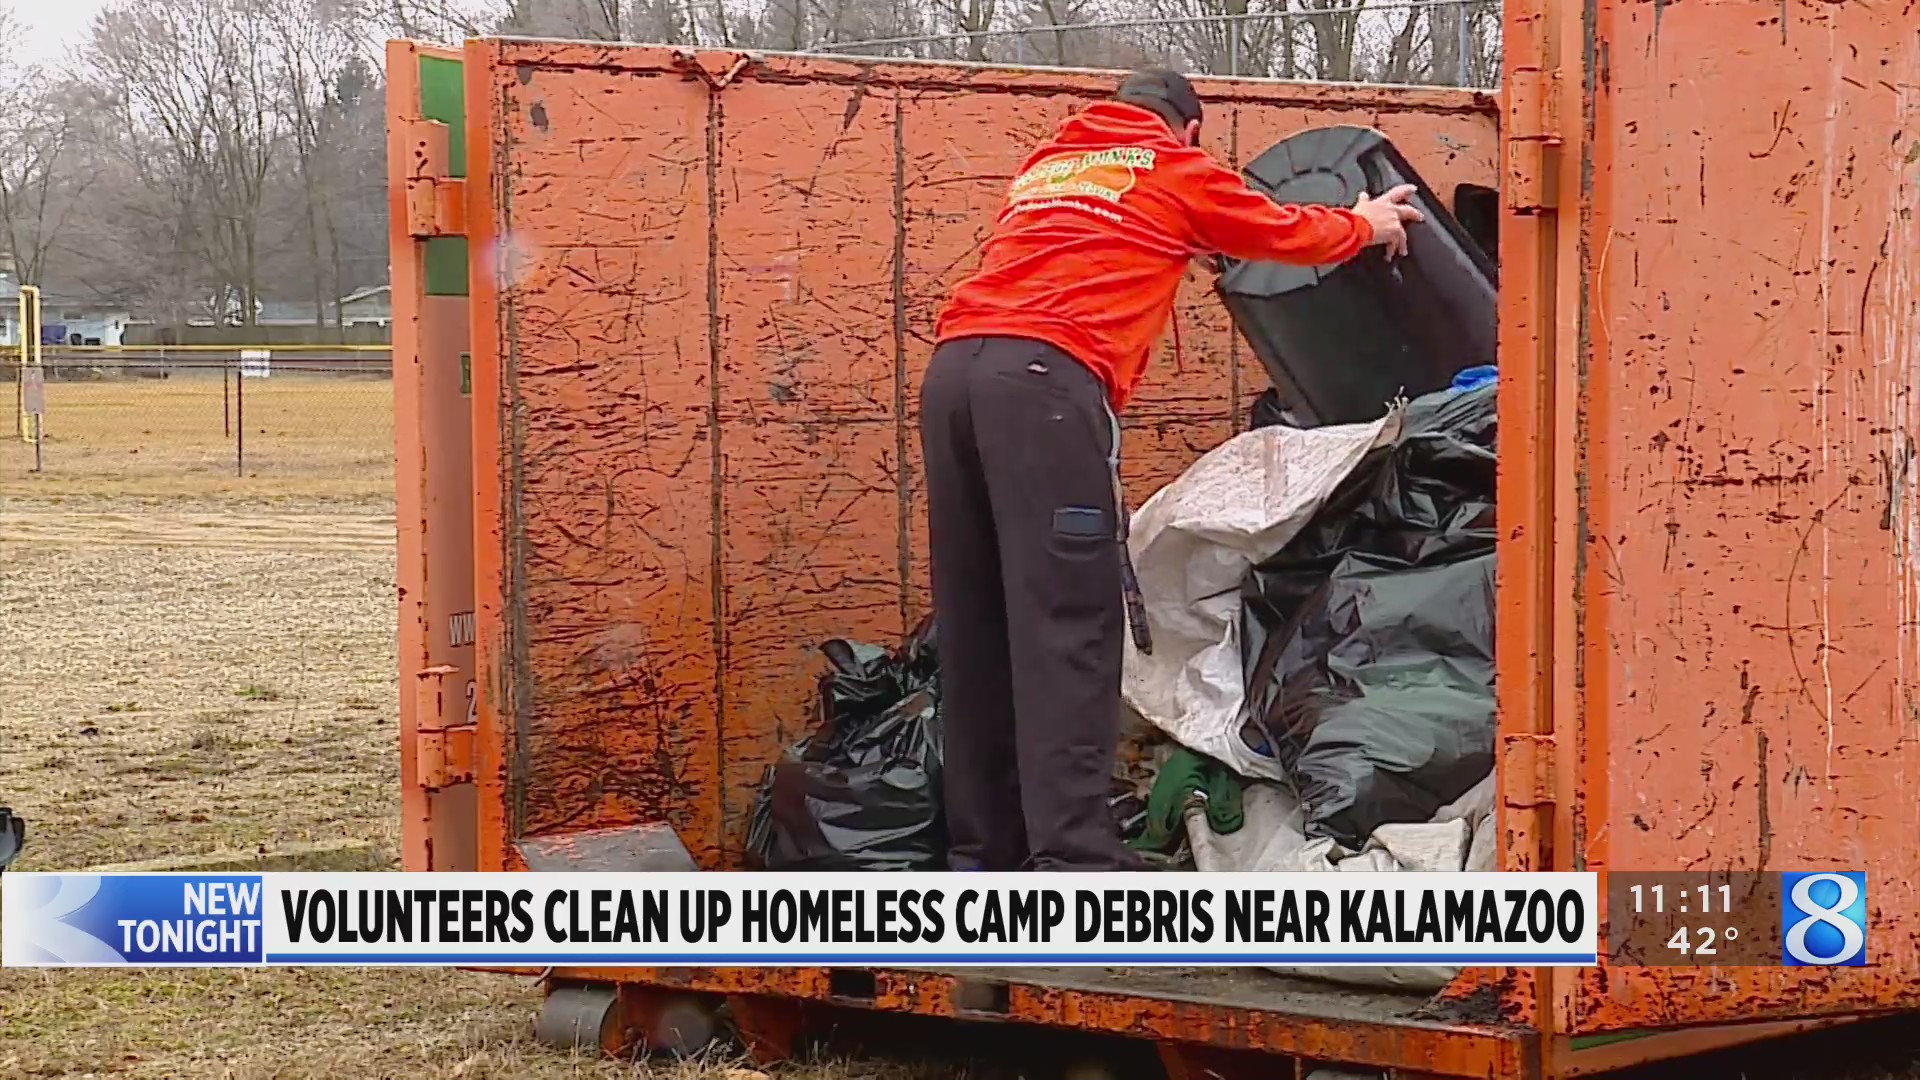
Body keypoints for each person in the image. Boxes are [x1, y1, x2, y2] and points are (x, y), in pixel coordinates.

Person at [918, 69, 1423, 872]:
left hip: (954, 379)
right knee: (1068, 628)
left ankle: (984, 858)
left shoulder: (1050, 167)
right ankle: (1075, 862)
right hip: (1045, 389)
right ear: (1187, 129)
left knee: (980, 629)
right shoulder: (1169, 166)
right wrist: (1359, 223)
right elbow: (1276, 230)